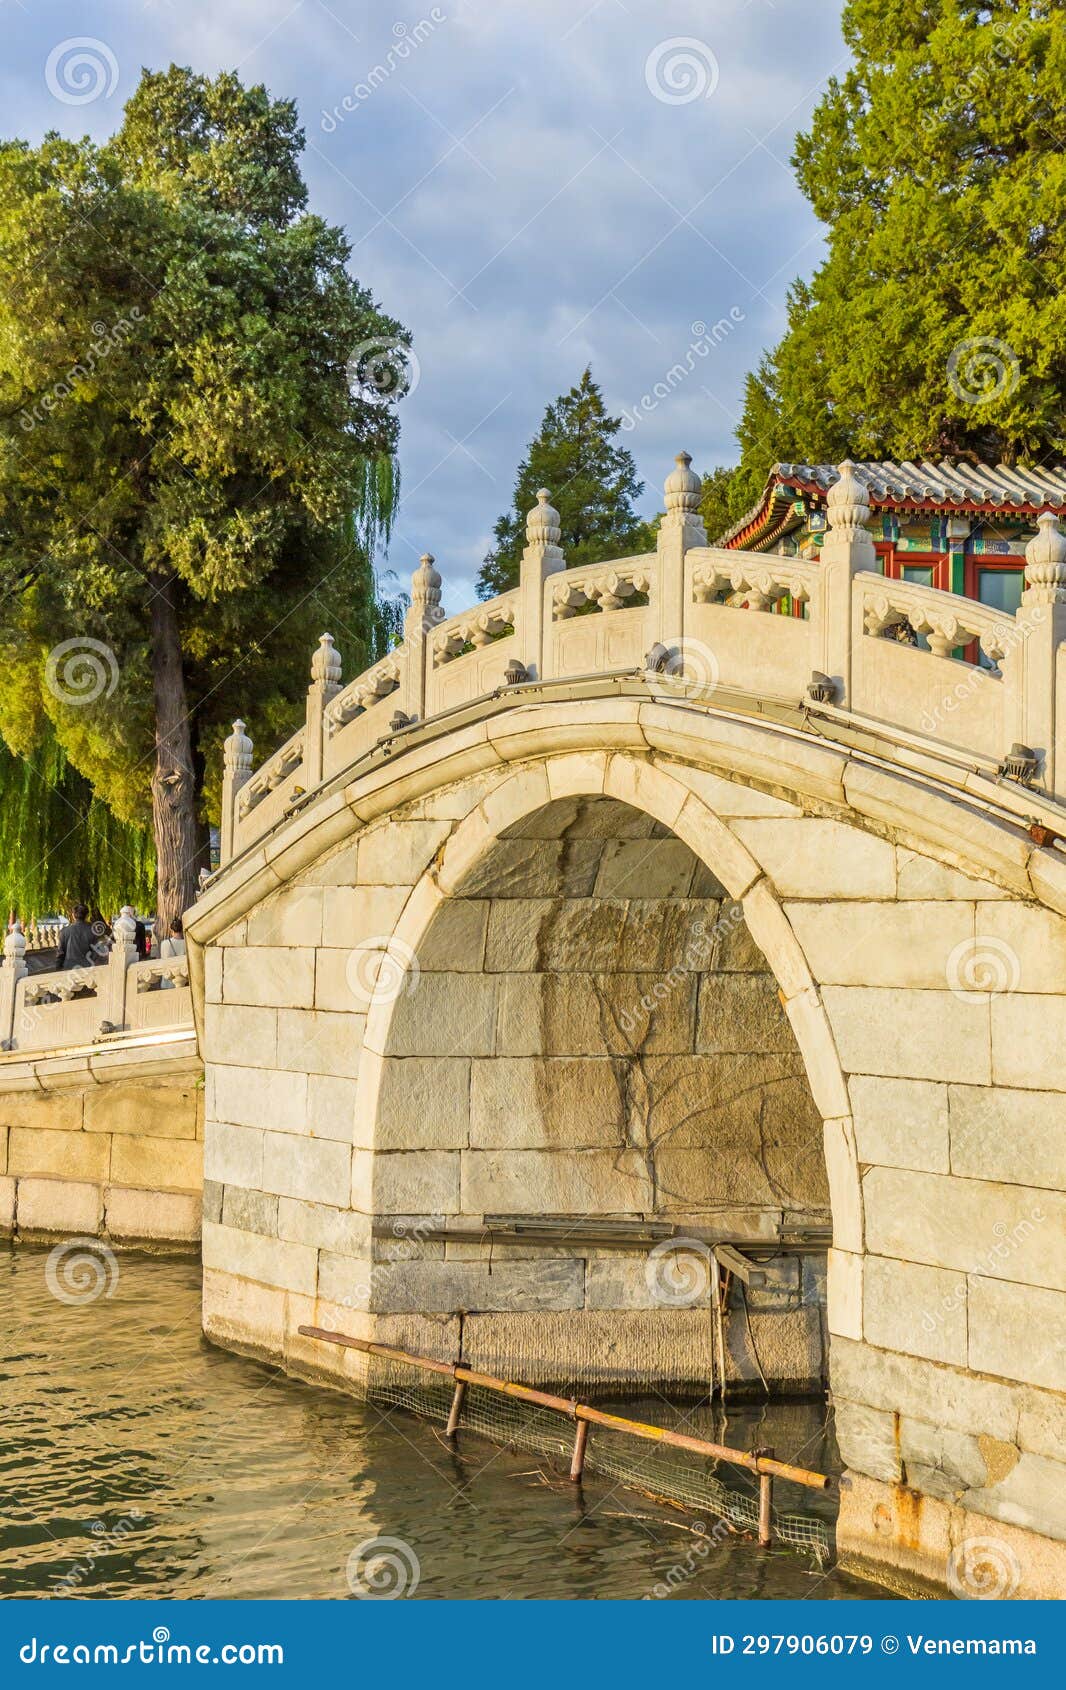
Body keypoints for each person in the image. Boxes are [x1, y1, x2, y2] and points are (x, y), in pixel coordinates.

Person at [56, 904, 96, 971]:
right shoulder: (93, 931)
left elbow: (60, 953)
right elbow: (96, 953)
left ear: (73, 915)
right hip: (87, 968)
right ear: (87, 915)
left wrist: (58, 968)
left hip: (69, 967)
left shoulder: (64, 931)